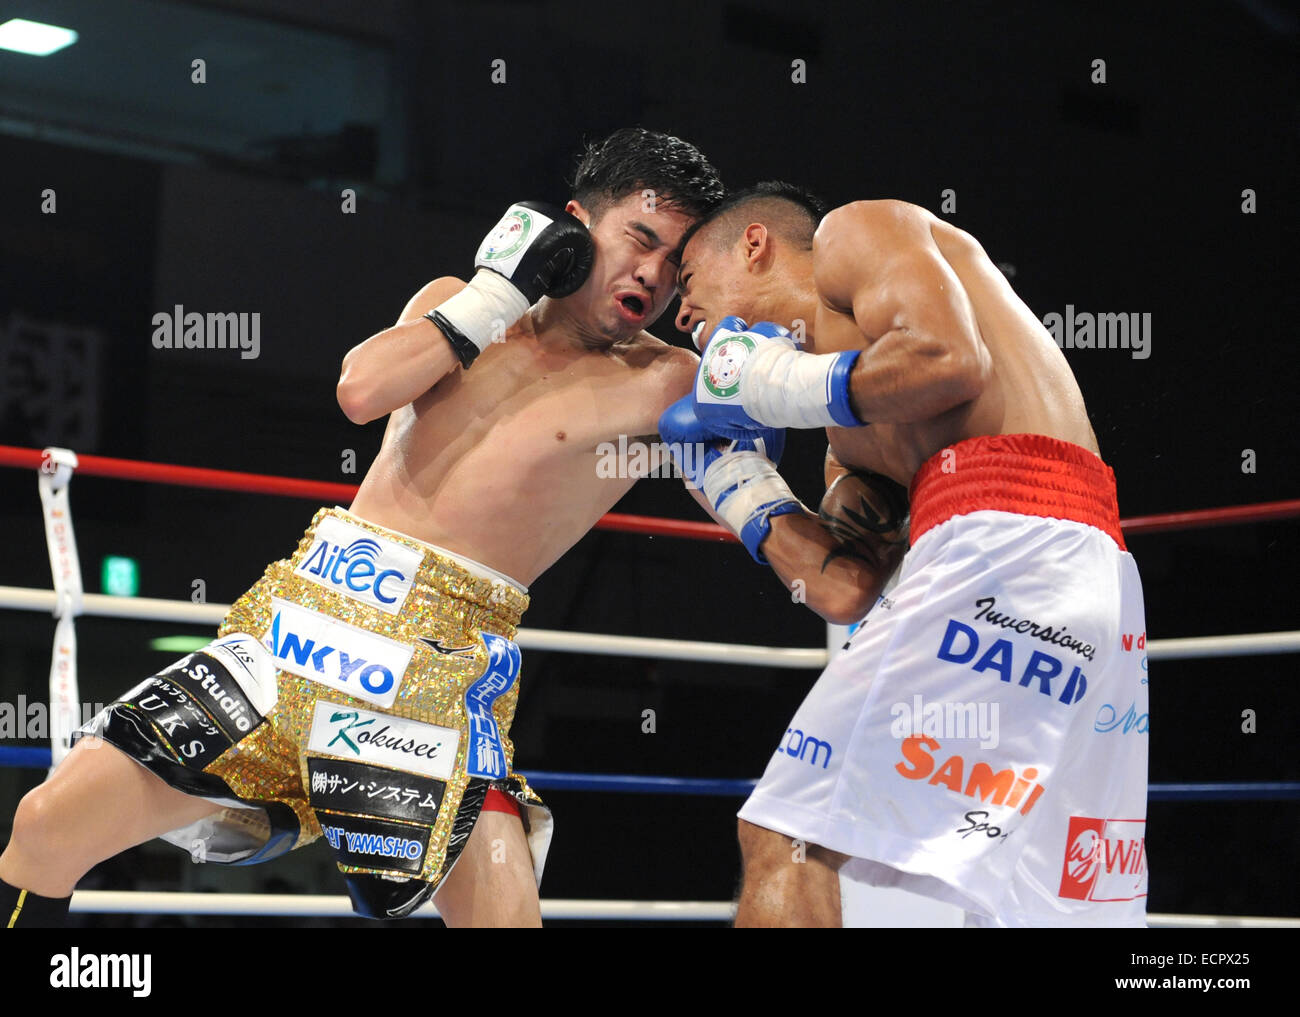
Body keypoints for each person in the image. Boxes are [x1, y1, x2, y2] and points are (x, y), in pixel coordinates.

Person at [0, 128, 723, 928]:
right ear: (575, 223)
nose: (653, 275)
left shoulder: (663, 378)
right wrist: (495, 295)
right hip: (297, 626)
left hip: (434, 672)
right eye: (641, 240)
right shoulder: (460, 301)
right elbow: (360, 389)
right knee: (42, 829)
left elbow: (755, 403)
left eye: (674, 263)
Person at [660, 182, 1148, 927]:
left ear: (755, 243)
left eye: (688, 282)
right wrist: (742, 489)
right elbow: (844, 588)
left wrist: (767, 379)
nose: (681, 313)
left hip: (1005, 535)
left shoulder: (855, 234)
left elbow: (950, 360)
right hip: (1073, 574)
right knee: (1022, 894)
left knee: (790, 832)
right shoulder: (845, 442)